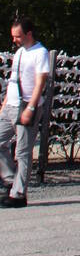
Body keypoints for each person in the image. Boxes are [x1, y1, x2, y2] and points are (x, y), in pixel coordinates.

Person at [0, 17, 51, 208]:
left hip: (27, 105)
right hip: (11, 105)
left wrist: (31, 107)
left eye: (18, 36)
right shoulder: (20, 52)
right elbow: (14, 80)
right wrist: (4, 105)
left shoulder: (40, 52)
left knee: (22, 151)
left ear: (28, 34)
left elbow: (40, 82)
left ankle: (19, 194)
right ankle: (10, 179)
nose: (15, 40)